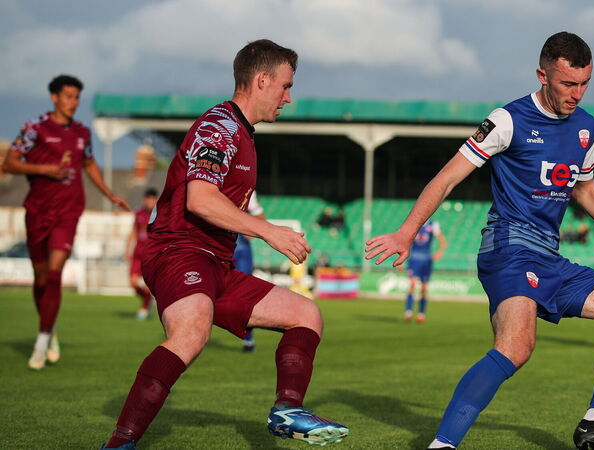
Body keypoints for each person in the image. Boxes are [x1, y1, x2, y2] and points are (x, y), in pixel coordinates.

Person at [366, 32, 594, 450]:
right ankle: (442, 445)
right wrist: (407, 231)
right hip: (508, 247)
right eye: (566, 83)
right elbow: (448, 176)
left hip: (550, 256)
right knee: (516, 347)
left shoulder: (586, 127)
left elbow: (584, 190)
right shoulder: (507, 120)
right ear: (542, 75)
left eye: (584, 84)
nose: (576, 94)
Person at [101, 40, 348, 449]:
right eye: (285, 86)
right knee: (191, 333)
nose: (289, 97)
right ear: (262, 80)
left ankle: (287, 411)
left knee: (306, 313)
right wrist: (268, 231)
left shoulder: (245, 136)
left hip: (217, 265)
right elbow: (199, 199)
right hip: (178, 252)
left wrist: (263, 229)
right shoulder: (220, 125)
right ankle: (120, 442)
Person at [2, 74, 130, 371]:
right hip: (38, 211)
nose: (74, 102)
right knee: (41, 277)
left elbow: (88, 163)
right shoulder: (34, 129)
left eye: (77, 97)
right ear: (55, 97)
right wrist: (44, 168)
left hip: (68, 211)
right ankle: (49, 327)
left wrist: (109, 193)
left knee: (55, 273)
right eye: (69, 96)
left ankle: (42, 340)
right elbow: (9, 162)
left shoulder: (82, 133)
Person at [235, 192, 266, 352]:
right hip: (218, 247)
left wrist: (252, 229)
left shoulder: (248, 190)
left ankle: (248, 340)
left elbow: (260, 215)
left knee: (245, 297)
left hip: (241, 250)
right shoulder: (214, 180)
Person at [404, 220, 447, 323]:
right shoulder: (413, 223)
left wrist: (440, 252)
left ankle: (421, 314)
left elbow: (442, 241)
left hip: (426, 260)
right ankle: (408, 312)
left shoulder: (433, 225)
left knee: (424, 288)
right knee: (412, 285)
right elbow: (405, 241)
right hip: (414, 259)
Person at [126, 188, 158, 320]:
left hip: (151, 255)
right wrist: (127, 249)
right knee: (133, 283)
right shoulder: (138, 213)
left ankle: (144, 308)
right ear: (144, 200)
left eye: (152, 199)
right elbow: (133, 231)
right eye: (148, 199)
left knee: (148, 284)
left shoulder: (159, 214)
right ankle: (148, 300)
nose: (150, 201)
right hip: (137, 255)